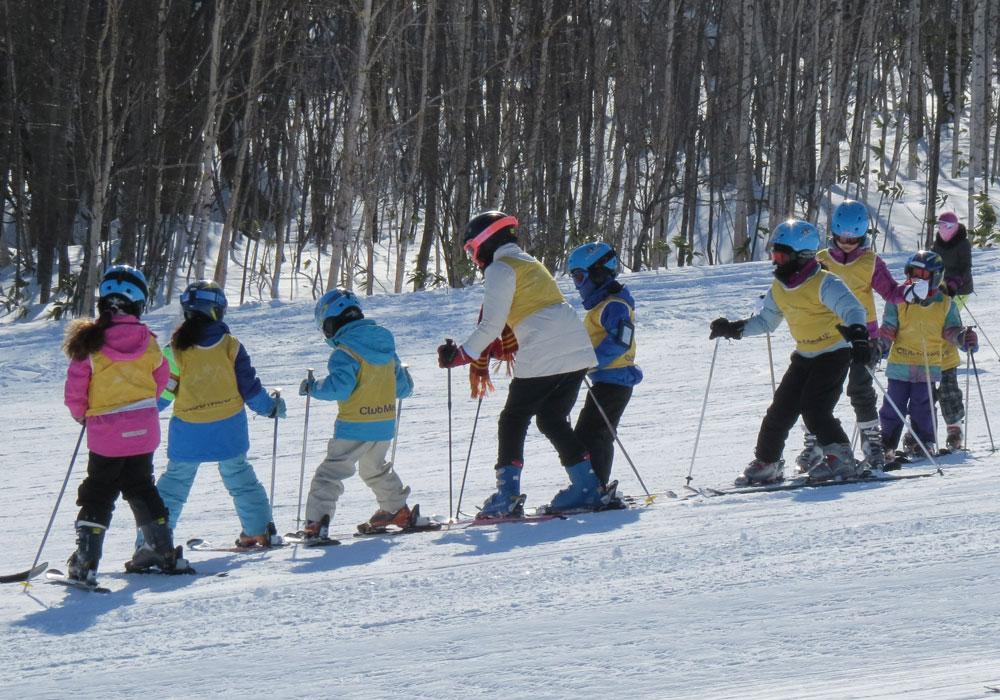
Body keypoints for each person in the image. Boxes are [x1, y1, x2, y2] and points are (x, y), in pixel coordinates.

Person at [437, 211, 600, 516]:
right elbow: (525, 313)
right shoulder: (528, 261)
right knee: (551, 419)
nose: (475, 257)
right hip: (575, 346)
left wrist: (460, 356)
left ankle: (507, 496)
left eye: (472, 250)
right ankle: (588, 488)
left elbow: (491, 325)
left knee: (513, 419)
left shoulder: (500, 268)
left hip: (543, 348)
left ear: (485, 241)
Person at [709, 219, 869, 485]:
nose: (776, 262)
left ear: (802, 255)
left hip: (833, 354)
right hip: (805, 356)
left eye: (781, 256)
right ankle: (767, 462)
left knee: (815, 409)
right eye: (774, 255)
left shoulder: (824, 282)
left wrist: (860, 337)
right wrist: (734, 329)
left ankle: (840, 459)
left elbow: (854, 310)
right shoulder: (780, 288)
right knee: (779, 411)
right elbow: (766, 321)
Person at [62, 265, 188, 585]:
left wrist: (81, 413)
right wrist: (142, 405)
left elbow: (76, 387)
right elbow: (160, 379)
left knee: (99, 491)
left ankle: (86, 558)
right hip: (143, 429)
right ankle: (161, 548)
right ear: (139, 304)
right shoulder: (148, 340)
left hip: (106, 433)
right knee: (141, 486)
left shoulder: (90, 341)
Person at [148, 281, 286, 549]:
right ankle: (259, 531)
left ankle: (153, 543)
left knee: (174, 485)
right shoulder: (231, 346)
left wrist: (140, 416)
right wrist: (269, 408)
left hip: (189, 430)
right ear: (218, 311)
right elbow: (250, 388)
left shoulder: (174, 350)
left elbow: (164, 393)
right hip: (228, 428)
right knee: (240, 478)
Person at [796, 199, 913, 471]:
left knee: (860, 390)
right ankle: (815, 445)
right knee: (820, 392)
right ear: (833, 234)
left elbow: (891, 292)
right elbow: (798, 287)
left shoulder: (871, 262)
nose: (847, 245)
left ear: (863, 236)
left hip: (864, 338)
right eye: (842, 239)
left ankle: (873, 445)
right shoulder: (820, 260)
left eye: (854, 240)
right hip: (826, 336)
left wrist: (911, 291)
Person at [296, 288, 415, 539]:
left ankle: (316, 523)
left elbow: (339, 388)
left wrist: (312, 387)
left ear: (332, 322)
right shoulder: (386, 347)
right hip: (383, 424)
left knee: (331, 473)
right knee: (374, 469)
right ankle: (397, 510)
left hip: (354, 425)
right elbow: (403, 388)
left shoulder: (344, 351)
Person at [878, 251, 977, 460]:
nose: (918, 280)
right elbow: (888, 327)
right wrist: (879, 345)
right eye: (914, 274)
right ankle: (886, 443)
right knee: (893, 405)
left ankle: (924, 441)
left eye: (924, 275)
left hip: (928, 365)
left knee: (922, 406)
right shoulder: (898, 299)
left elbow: (951, 330)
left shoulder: (944, 303)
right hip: (900, 364)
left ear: (936, 278)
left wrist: (963, 337)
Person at [566, 241, 643, 493]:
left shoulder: (615, 305)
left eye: (579, 277)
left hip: (616, 381)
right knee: (588, 432)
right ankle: (590, 486)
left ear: (598, 272)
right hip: (606, 381)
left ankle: (595, 488)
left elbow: (621, 341)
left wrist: (587, 361)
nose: (578, 286)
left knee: (596, 433)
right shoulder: (602, 305)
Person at [932, 211, 975, 450]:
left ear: (954, 226)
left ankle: (951, 341)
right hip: (940, 286)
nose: (942, 228)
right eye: (939, 224)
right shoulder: (938, 241)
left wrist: (955, 284)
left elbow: (966, 268)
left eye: (946, 225)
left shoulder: (963, 243)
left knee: (946, 317)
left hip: (960, 287)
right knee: (935, 314)